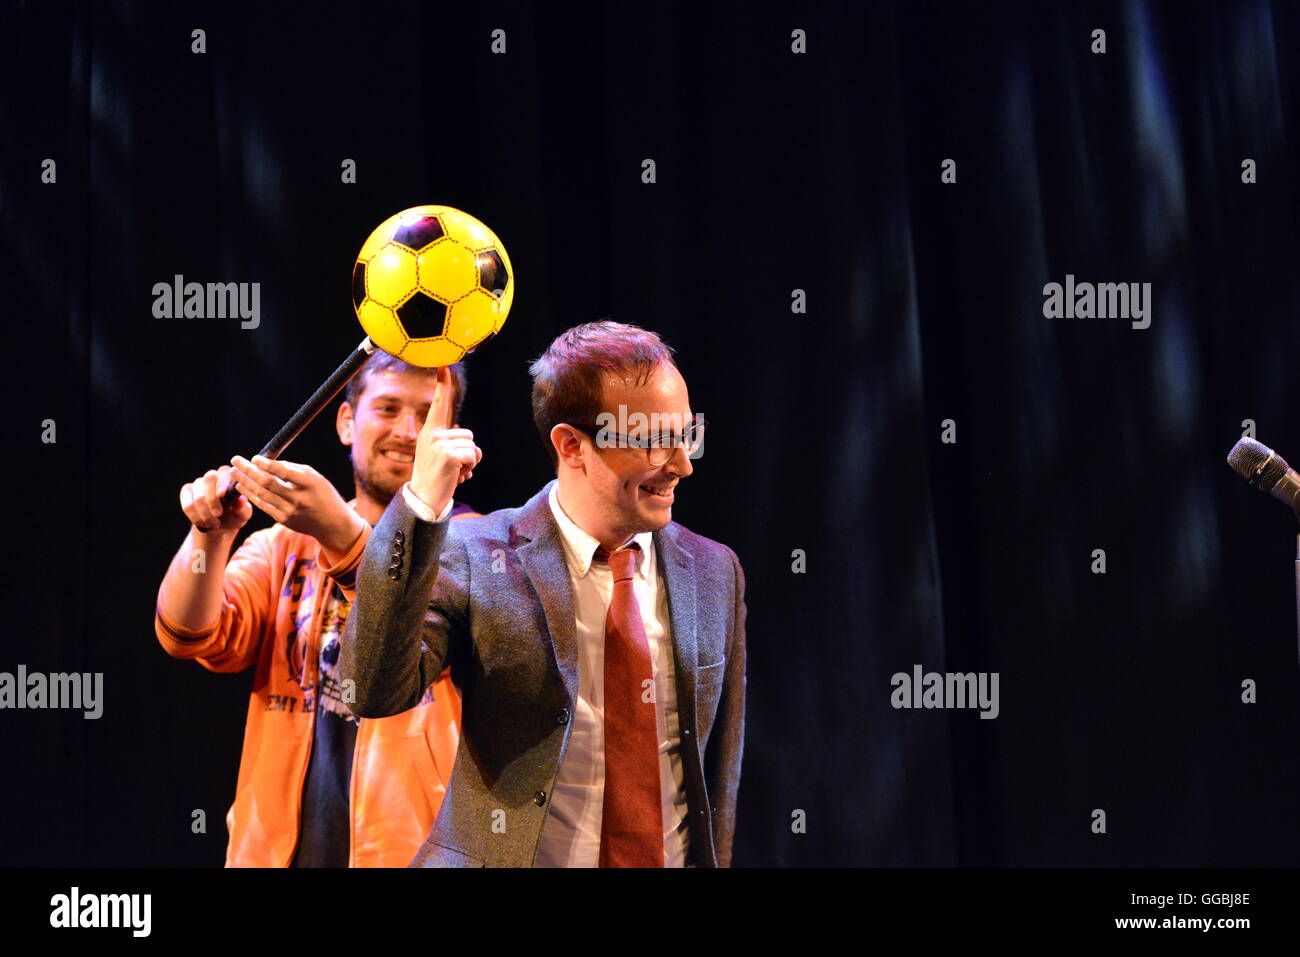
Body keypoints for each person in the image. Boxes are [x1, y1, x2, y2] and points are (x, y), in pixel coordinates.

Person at [341, 320, 746, 867]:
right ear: (571, 445)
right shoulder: (475, 553)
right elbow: (373, 690)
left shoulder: (714, 571)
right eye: (651, 440)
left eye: (684, 434)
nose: (681, 464)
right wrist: (418, 506)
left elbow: (717, 773)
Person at [154, 354, 476, 867]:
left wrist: (340, 536)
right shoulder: (283, 545)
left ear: (451, 436)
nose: (407, 431)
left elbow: (417, 623)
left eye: (426, 413)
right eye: (388, 408)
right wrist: (209, 536)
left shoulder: (477, 546)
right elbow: (186, 635)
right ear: (347, 422)